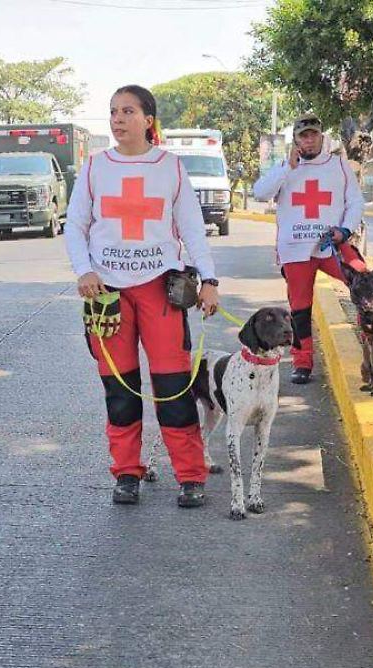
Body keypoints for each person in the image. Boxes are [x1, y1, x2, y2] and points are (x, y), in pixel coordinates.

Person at [64, 84, 220, 508]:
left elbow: (191, 228)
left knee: (173, 387)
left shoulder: (170, 167)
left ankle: (190, 476)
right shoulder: (95, 167)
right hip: (107, 293)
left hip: (160, 289)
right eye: (113, 111)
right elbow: (75, 226)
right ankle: (126, 473)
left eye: (127, 111)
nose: (117, 119)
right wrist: (85, 271)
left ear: (148, 119)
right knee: (120, 389)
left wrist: (209, 279)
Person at [253, 112, 367, 384]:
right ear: (296, 140)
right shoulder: (284, 167)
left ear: (321, 136)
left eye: (313, 134)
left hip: (332, 245)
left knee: (365, 283)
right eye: (303, 135)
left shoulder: (339, 165)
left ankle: (370, 343)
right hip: (295, 249)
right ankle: (302, 362)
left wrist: (345, 230)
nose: (309, 140)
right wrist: (287, 168)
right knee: (300, 309)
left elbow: (355, 202)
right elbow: (259, 193)